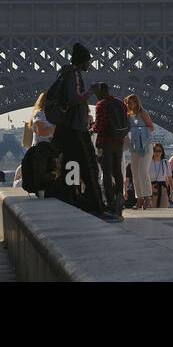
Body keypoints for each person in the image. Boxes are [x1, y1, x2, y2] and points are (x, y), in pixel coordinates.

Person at [46, 42, 105, 217]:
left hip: (65, 128)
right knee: (89, 165)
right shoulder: (75, 75)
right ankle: (96, 204)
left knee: (69, 164)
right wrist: (92, 91)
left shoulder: (65, 74)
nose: (89, 64)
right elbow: (74, 98)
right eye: (88, 61)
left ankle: (70, 198)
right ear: (82, 61)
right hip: (75, 128)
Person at [93, 82, 129, 222]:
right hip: (118, 143)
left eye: (96, 92)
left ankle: (110, 202)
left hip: (105, 143)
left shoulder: (101, 104)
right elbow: (126, 123)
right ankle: (120, 197)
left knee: (106, 173)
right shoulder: (120, 103)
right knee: (118, 172)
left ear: (101, 92)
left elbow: (100, 125)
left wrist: (92, 129)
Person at [125, 94, 154, 209]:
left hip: (145, 146)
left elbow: (151, 127)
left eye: (130, 103)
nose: (128, 105)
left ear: (136, 103)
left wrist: (139, 132)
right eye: (127, 103)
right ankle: (140, 198)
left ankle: (148, 197)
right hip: (134, 146)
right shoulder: (128, 116)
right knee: (135, 173)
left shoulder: (143, 113)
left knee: (142, 171)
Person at [148, 142, 172, 208]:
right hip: (152, 188)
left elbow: (170, 178)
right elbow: (145, 177)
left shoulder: (165, 162)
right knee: (152, 209)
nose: (157, 153)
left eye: (159, 151)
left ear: (162, 152)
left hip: (163, 188)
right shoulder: (149, 162)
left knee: (163, 210)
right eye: (155, 151)